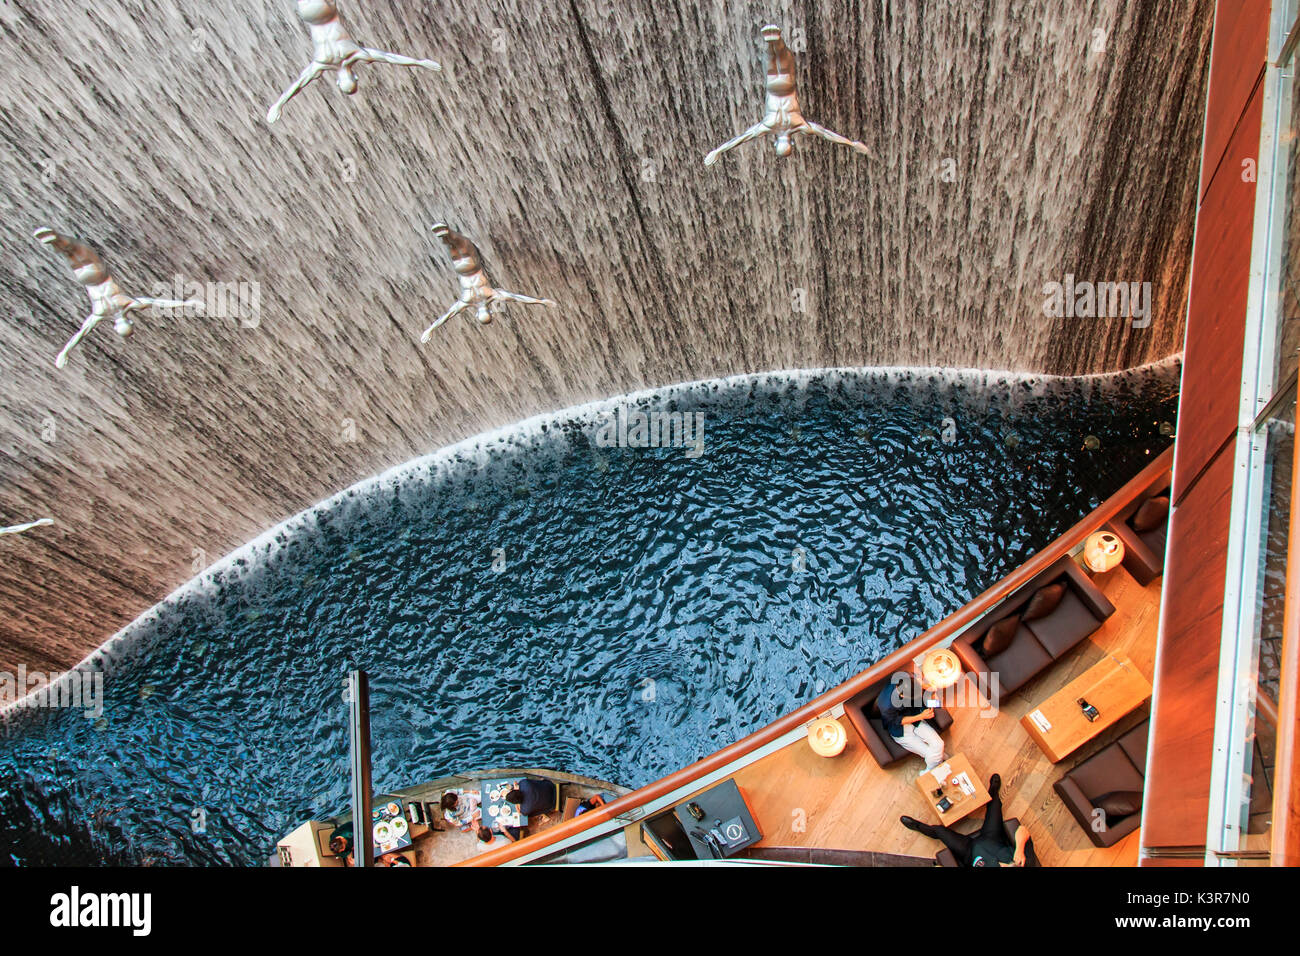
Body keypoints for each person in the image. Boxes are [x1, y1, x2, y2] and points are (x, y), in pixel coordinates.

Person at [704, 25, 872, 165]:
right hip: (773, 85)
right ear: (776, 141)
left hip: (787, 84)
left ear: (791, 141)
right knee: (772, 61)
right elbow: (742, 138)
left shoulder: (799, 125)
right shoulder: (768, 126)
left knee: (784, 60)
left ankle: (776, 42)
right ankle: (773, 43)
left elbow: (827, 134)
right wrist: (718, 151)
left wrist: (852, 144)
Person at [267, 0, 442, 123]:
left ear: (355, 77)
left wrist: (420, 62)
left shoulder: (356, 54)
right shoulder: (322, 63)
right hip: (309, 13)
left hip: (326, 9)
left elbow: (389, 58)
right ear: (337, 81)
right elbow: (298, 85)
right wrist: (278, 104)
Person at [420, 223, 556, 340]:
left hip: (473, 266)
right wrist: (430, 329)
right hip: (462, 270)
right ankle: (446, 237)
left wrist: (541, 301)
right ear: (477, 314)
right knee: (454, 250)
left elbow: (517, 298)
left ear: (490, 312)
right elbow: (448, 315)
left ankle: (448, 234)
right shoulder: (466, 302)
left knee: (463, 244)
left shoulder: (492, 295)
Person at [901, 773, 1037, 867]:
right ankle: (993, 791)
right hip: (993, 838)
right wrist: (1019, 849)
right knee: (995, 805)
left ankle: (917, 826)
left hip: (969, 852)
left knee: (940, 831)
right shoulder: (1027, 863)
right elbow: (1022, 830)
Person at [876, 671, 946, 771]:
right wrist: (921, 716)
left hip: (915, 716)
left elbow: (923, 692)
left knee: (939, 745)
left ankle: (937, 761)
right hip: (901, 729)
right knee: (930, 754)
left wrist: (928, 688)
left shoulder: (906, 678)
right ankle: (931, 768)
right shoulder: (886, 704)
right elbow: (897, 721)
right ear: (904, 696)